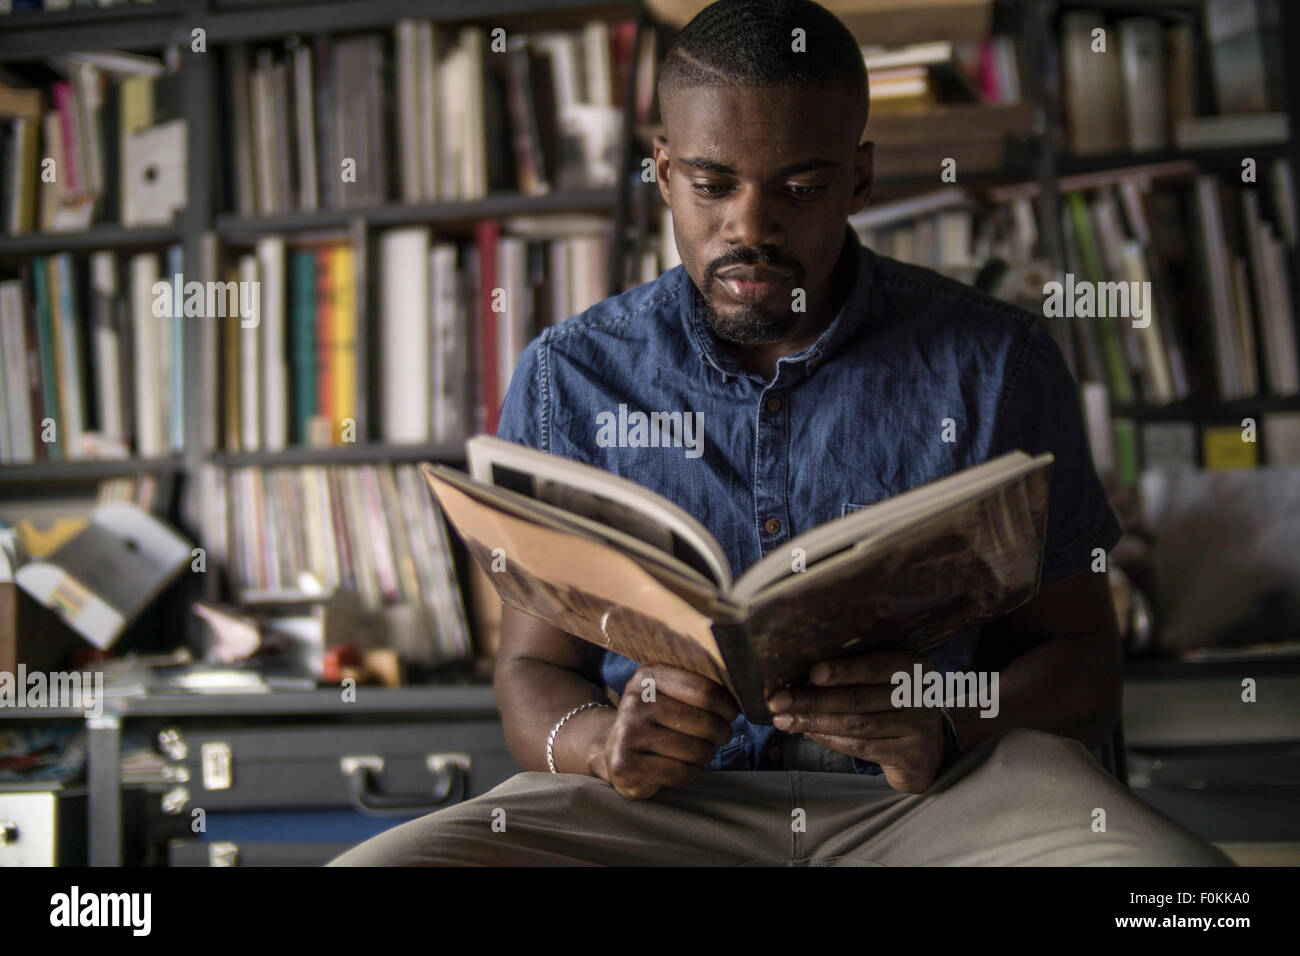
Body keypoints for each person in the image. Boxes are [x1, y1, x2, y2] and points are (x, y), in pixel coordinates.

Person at [329, 0, 1231, 866]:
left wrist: (952, 721)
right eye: (711, 184)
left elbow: (1083, 662)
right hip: (663, 810)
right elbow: (530, 674)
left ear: (861, 178)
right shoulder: (570, 377)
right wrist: (605, 742)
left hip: (935, 800)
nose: (749, 228)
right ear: (663, 171)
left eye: (800, 187)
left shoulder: (998, 364)